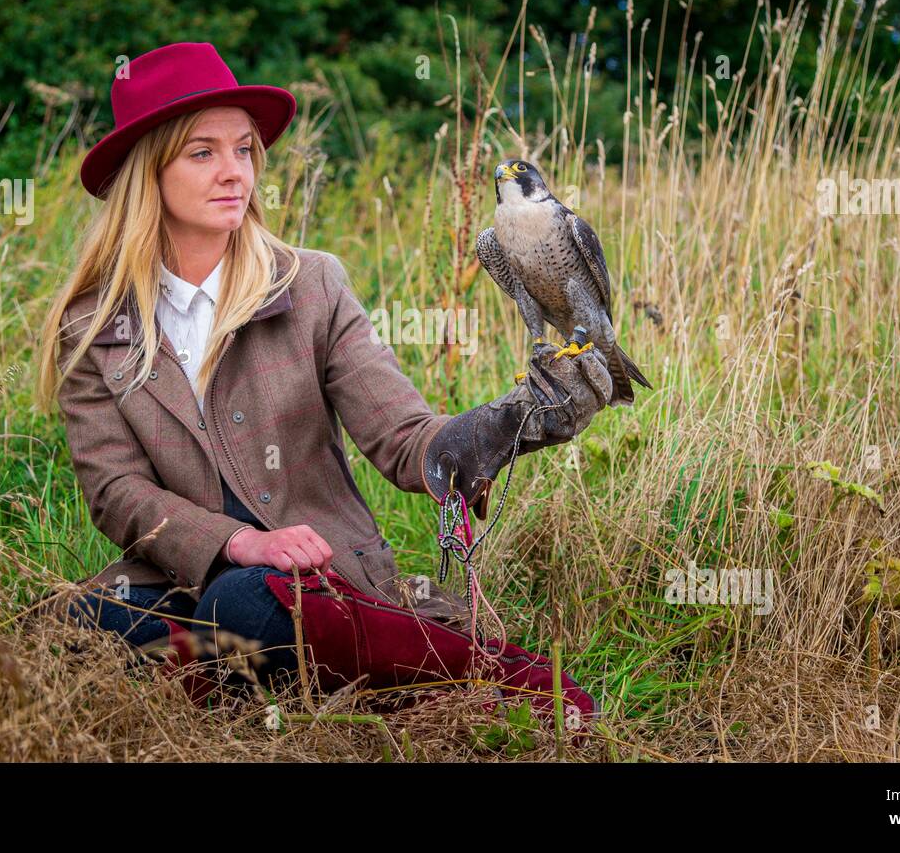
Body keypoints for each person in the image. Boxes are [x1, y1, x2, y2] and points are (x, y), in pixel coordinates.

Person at [34, 42, 614, 721]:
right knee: (77, 619)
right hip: (181, 578)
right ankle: (253, 680)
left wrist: (502, 426)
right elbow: (116, 491)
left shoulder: (309, 284)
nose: (234, 173)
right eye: (203, 152)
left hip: (314, 582)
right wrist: (236, 541)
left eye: (244, 150)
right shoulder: (94, 325)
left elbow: (402, 437)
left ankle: (483, 670)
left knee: (247, 604)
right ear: (146, 172)